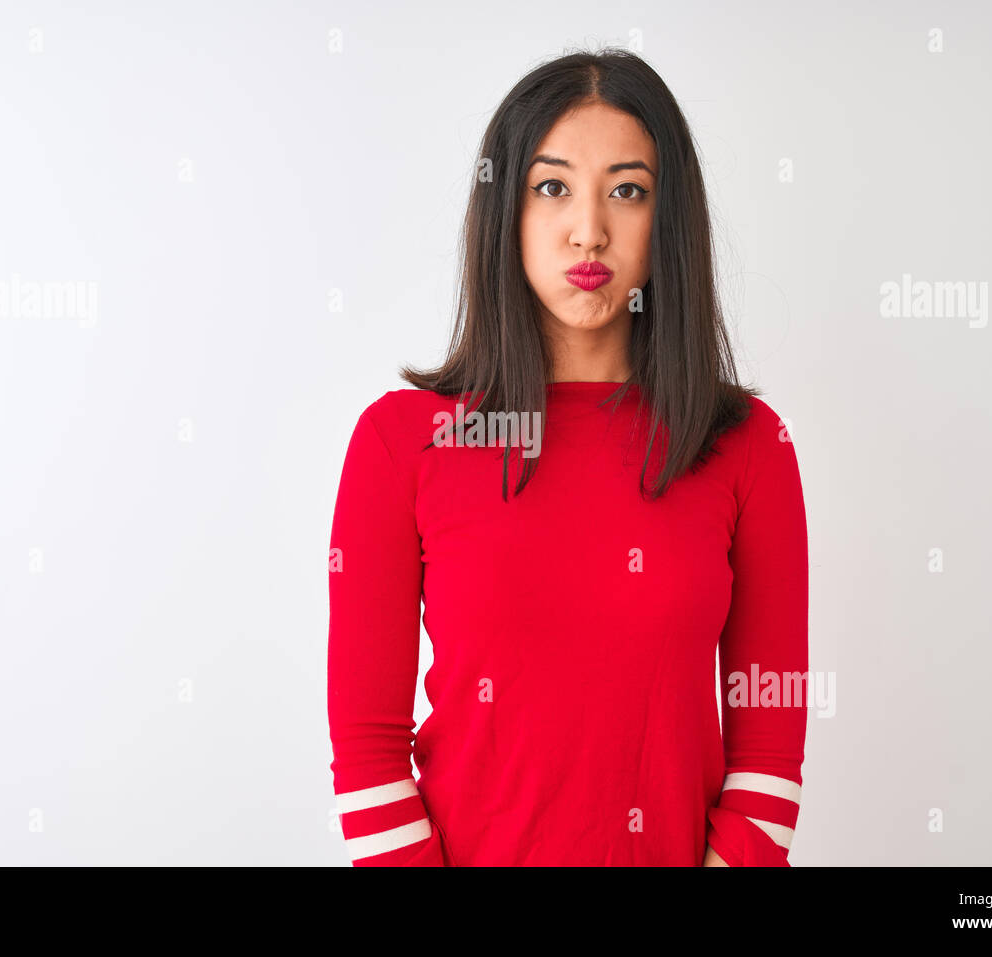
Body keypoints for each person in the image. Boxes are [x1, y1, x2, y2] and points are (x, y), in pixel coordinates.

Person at [327, 47, 809, 866]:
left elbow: (768, 751)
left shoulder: (749, 447)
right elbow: (368, 748)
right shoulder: (402, 442)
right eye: (552, 186)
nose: (590, 228)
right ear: (505, 211)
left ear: (670, 221)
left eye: (628, 190)